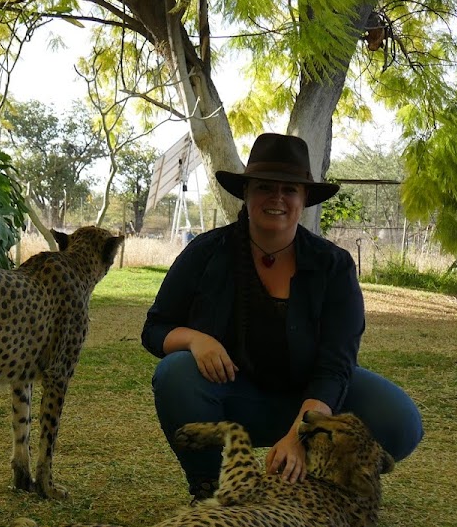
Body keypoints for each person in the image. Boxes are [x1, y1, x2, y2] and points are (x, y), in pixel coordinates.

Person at [141, 132, 423, 502]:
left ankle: (323, 483)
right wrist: (196, 339)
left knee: (399, 420)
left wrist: (300, 435)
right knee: (176, 373)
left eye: (289, 189)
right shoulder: (207, 253)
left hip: (314, 399)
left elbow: (335, 366)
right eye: (264, 187)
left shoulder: (332, 266)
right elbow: (154, 329)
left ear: (304, 199)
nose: (276, 198)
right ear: (246, 194)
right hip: (234, 397)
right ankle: (211, 489)